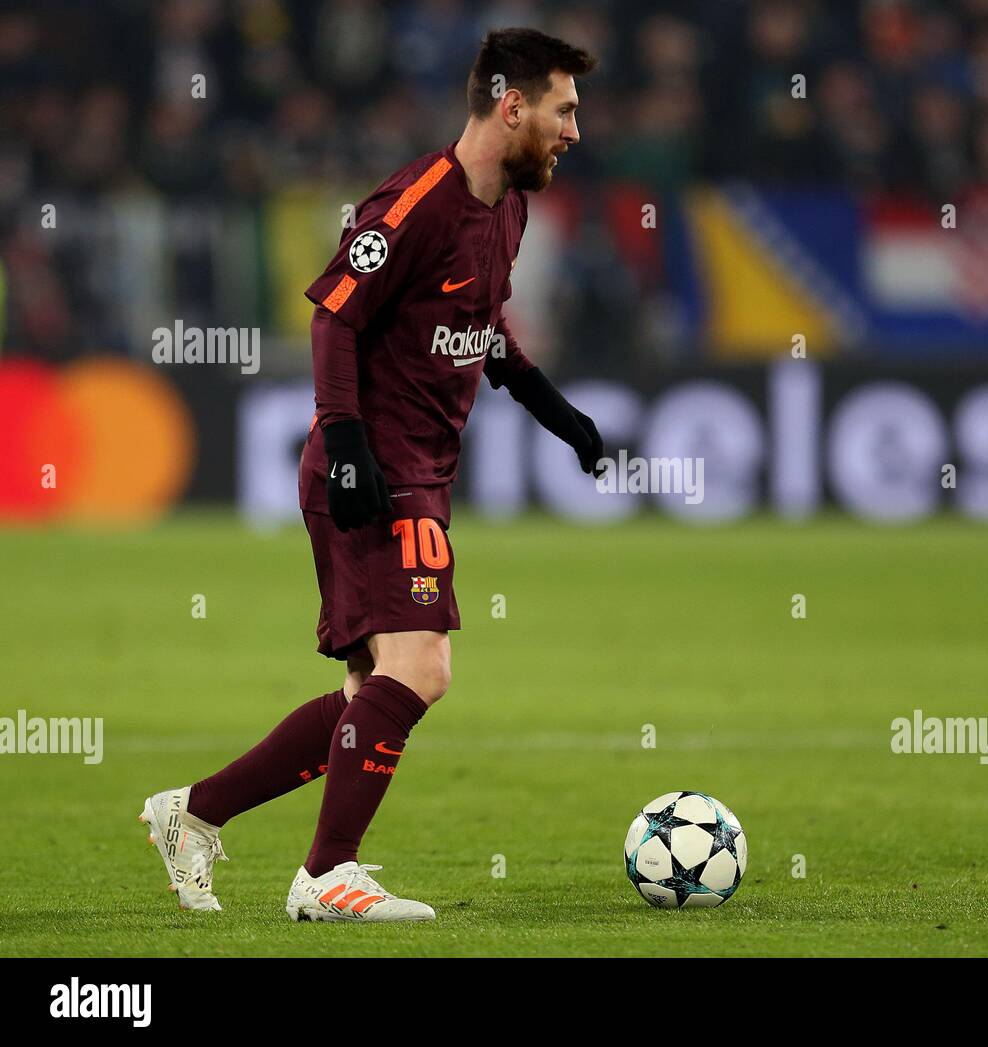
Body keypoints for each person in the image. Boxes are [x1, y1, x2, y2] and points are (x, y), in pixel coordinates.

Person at [139, 27, 605, 923]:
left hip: (416, 471)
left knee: (370, 690)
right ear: (513, 106)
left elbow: (484, 327)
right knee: (423, 666)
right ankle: (326, 874)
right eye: (565, 110)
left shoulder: (506, 202)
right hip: (375, 474)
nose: (575, 131)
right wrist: (349, 442)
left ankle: (193, 813)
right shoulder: (418, 200)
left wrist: (556, 411)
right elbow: (334, 319)